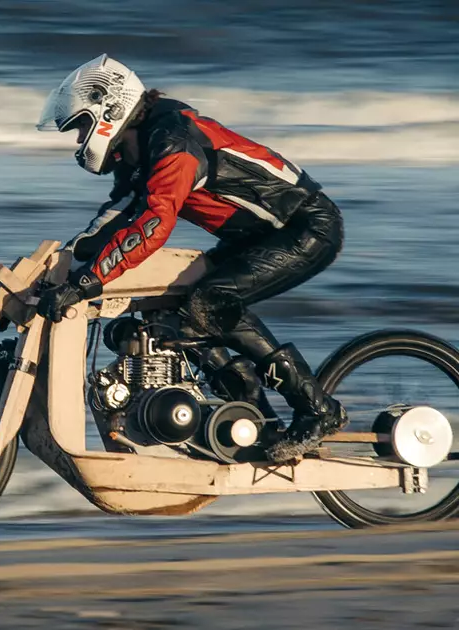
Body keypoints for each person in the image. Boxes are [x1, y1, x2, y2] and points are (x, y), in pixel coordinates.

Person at [33, 54, 346, 463]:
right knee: (170, 319)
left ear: (108, 112)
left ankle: (318, 411)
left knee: (210, 301)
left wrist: (88, 282)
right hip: (253, 238)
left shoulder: (173, 144)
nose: (78, 141)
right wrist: (61, 268)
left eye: (80, 129)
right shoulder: (140, 146)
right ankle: (253, 415)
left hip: (304, 228)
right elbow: (114, 218)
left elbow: (151, 225)